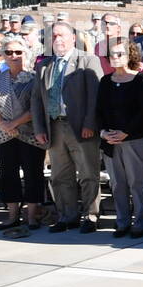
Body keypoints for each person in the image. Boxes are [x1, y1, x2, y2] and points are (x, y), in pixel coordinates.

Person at [32, 21, 102, 234]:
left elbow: (96, 96)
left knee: (88, 173)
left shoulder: (88, 60)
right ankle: (67, 216)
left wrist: (90, 123)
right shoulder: (44, 65)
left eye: (62, 35)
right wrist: (39, 128)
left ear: (73, 38)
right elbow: (36, 99)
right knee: (60, 176)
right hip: (54, 127)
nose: (57, 40)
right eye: (53, 36)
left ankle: (90, 215)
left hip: (81, 128)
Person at [0, 37, 45, 231]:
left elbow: (38, 106)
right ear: (2, 55)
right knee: (8, 173)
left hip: (30, 134)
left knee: (32, 173)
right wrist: (2, 123)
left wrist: (14, 123)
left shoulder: (35, 78)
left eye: (18, 52)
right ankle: (12, 215)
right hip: (4, 135)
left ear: (26, 53)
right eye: (8, 52)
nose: (14, 56)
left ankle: (32, 215)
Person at [97, 40, 143, 238]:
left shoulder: (140, 81)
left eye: (120, 54)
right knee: (117, 184)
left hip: (135, 140)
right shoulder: (105, 81)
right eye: (112, 54)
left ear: (130, 56)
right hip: (111, 141)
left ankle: (141, 222)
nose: (115, 57)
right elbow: (99, 111)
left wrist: (126, 132)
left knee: (137, 183)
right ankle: (122, 222)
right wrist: (103, 132)